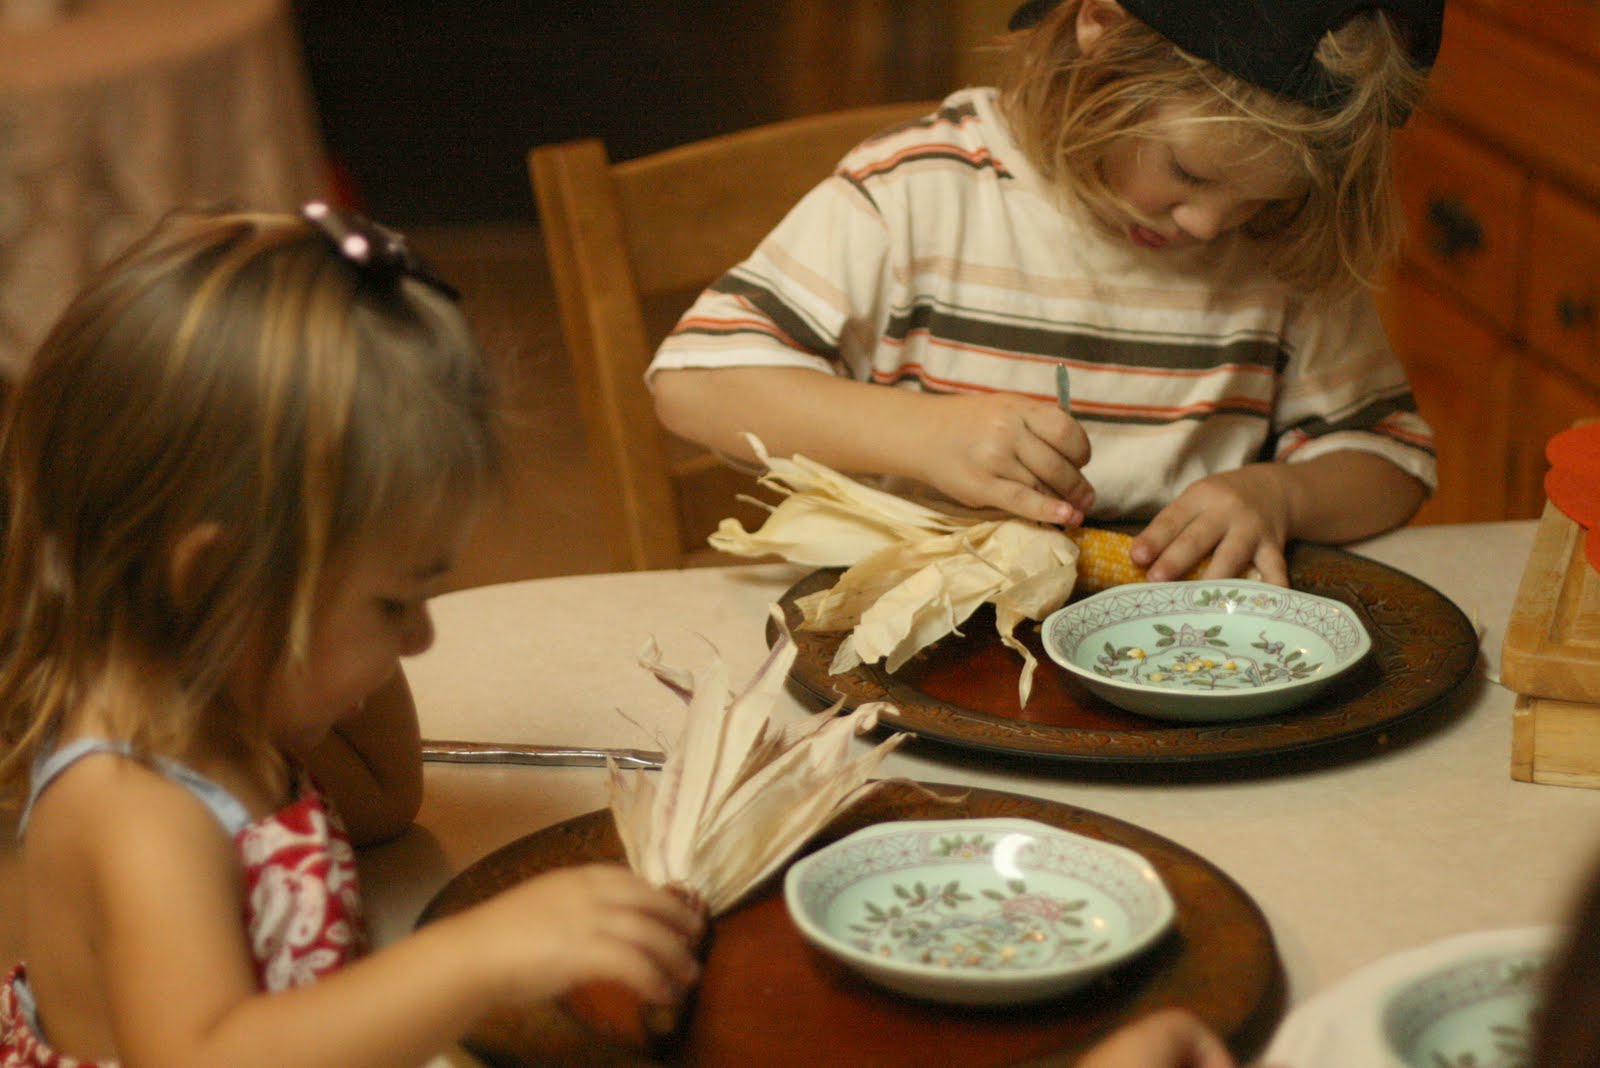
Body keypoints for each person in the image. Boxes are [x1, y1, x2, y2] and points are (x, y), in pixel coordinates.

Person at [0, 206, 702, 1067]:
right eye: (391, 604)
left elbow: (381, 803)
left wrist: (347, 650)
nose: (420, 640)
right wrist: (470, 960)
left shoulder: (224, 705)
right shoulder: (139, 808)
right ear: (218, 583)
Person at [648, 0, 1444, 587]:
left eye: (1256, 199)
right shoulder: (920, 193)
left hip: (1178, 659)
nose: (1208, 225)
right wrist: (921, 435)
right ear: (1096, 27)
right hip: (930, 654)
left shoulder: (1281, 248)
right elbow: (696, 385)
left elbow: (1389, 460)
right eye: (1189, 173)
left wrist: (1280, 493)